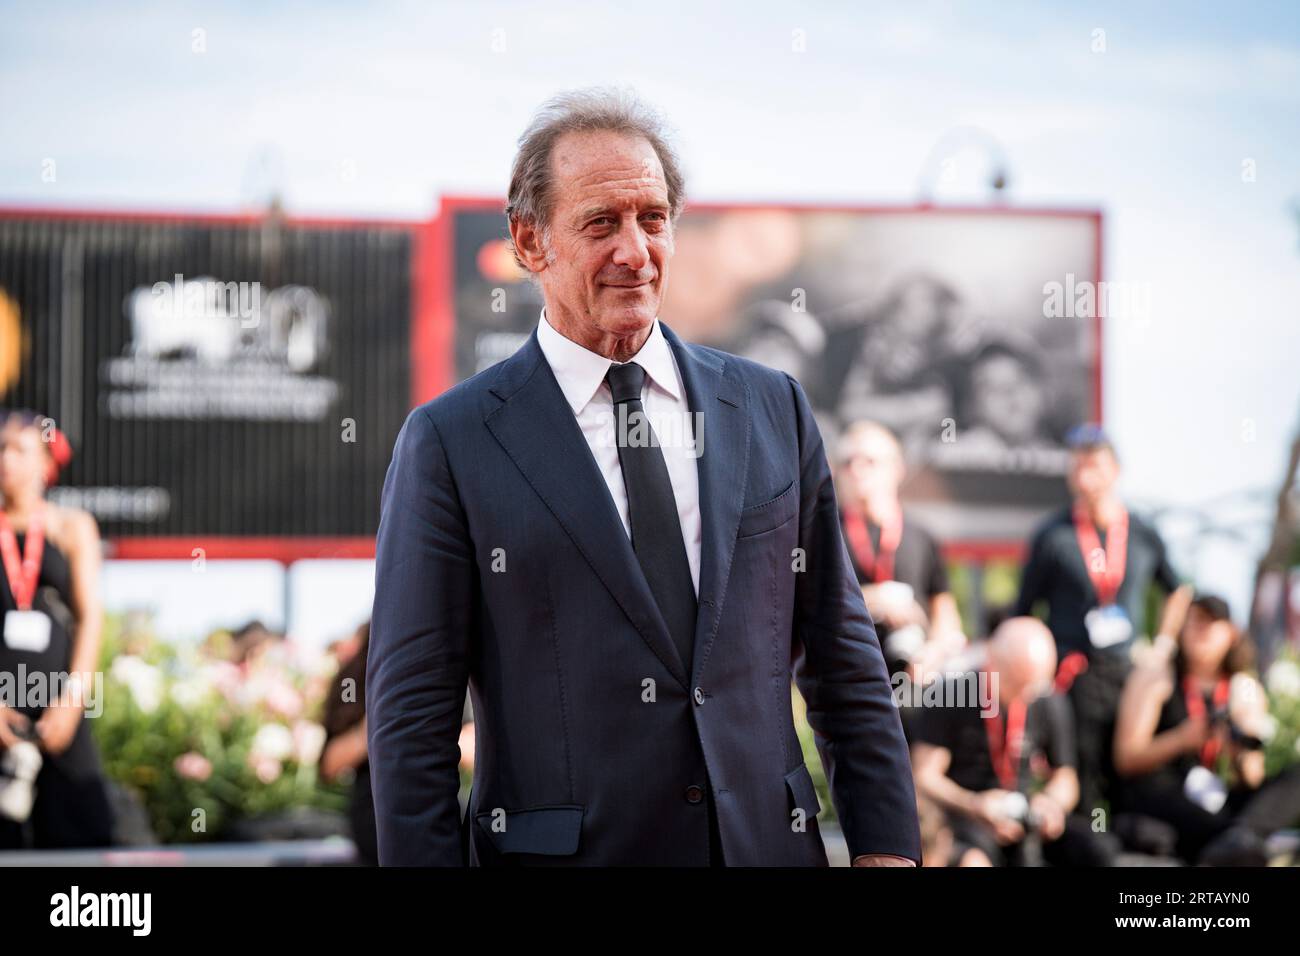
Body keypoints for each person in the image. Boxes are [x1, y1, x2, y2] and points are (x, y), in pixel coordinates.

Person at [367, 87, 920, 867]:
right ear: (530, 244)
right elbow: (411, 719)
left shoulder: (771, 409)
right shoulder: (451, 443)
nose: (635, 250)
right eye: (601, 223)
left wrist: (888, 851)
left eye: (652, 219)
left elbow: (842, 653)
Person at [1014, 423, 1184, 817]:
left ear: (1115, 470)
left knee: (1131, 784)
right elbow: (1023, 611)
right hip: (1074, 674)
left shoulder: (1141, 531)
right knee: (1081, 780)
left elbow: (1177, 590)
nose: (1085, 473)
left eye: (1094, 464)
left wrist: (1163, 644)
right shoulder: (1052, 534)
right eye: (1077, 465)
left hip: (1129, 674)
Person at [911, 617, 1117, 866]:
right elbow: (924, 776)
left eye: (1034, 686)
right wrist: (974, 805)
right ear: (993, 664)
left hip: (1026, 815)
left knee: (1099, 849)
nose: (1027, 695)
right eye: (1017, 684)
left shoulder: (1046, 698)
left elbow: (1066, 778)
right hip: (968, 817)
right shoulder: (952, 694)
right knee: (973, 862)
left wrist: (1051, 803)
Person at [1113, 593, 1300, 865]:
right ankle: (1235, 840)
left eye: (1211, 624)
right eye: (1194, 621)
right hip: (1166, 793)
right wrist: (1180, 739)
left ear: (1231, 634)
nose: (1201, 631)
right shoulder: (1157, 677)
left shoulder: (1243, 688)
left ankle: (1238, 837)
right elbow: (1126, 759)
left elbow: (1251, 777)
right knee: (1166, 798)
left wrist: (1243, 739)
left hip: (1216, 803)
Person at [0, 409, 114, 849]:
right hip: (3, 705)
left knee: (79, 830)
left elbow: (90, 617)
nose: (6, 459)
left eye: (19, 449)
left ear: (46, 465)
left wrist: (72, 700)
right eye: (1, 448)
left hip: (55, 706)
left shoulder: (71, 526)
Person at [835, 420, 965, 735]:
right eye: (848, 462)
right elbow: (800, 606)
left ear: (897, 469)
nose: (857, 470)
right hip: (846, 686)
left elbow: (948, 621)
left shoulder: (921, 536)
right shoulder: (822, 533)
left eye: (869, 461)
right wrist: (870, 599)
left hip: (915, 689)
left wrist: (934, 649)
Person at [320, 621, 377, 866]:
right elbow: (329, 765)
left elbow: (472, 746)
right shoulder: (352, 678)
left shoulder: (441, 671)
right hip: (372, 811)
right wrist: (372, 729)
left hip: (437, 797)